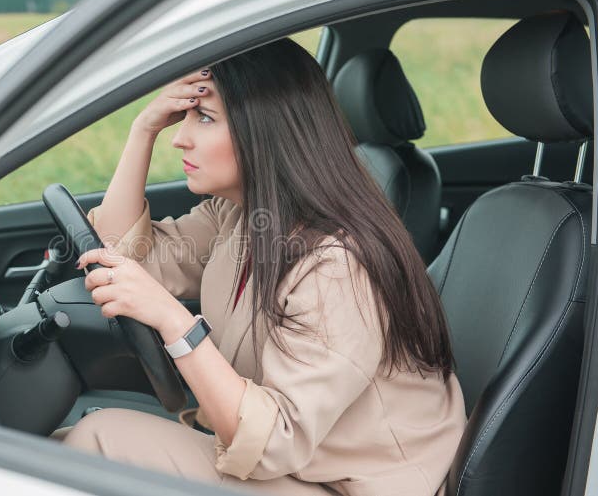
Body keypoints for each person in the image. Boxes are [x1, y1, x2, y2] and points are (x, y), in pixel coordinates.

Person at [63, 37, 466, 496]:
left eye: (205, 118)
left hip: (350, 486)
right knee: (49, 453)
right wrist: (142, 131)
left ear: (266, 129)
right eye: (184, 117)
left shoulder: (337, 265)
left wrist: (174, 322)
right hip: (290, 465)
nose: (181, 136)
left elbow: (276, 440)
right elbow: (121, 254)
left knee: (96, 442)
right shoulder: (241, 217)